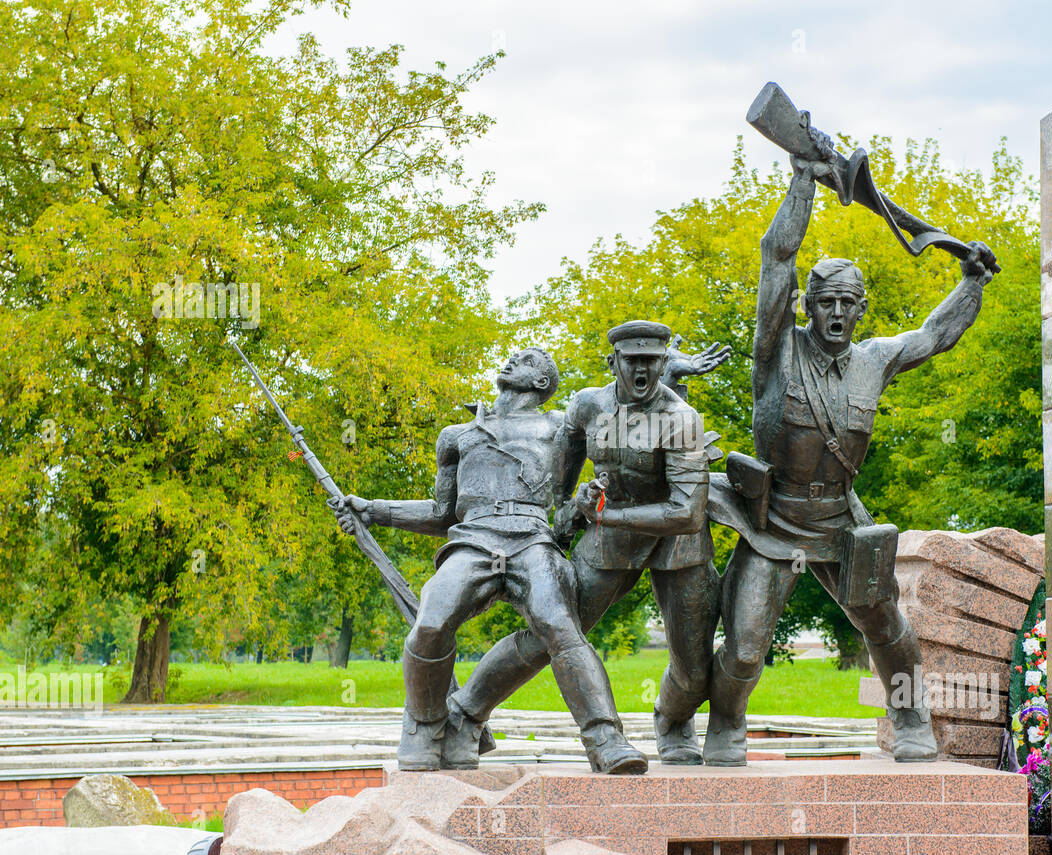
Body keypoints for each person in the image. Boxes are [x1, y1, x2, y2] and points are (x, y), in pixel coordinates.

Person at [704, 132, 997, 765]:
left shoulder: (874, 359)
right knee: (747, 646)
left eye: (847, 302)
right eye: (825, 301)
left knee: (886, 627)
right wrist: (804, 183)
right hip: (773, 520)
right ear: (807, 306)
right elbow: (775, 258)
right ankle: (725, 723)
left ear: (861, 310)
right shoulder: (774, 351)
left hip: (840, 520)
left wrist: (971, 281)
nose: (836, 311)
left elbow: (936, 333)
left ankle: (911, 716)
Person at [331, 347, 647, 774]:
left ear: (542, 384)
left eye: (528, 360)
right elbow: (442, 514)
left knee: (559, 624)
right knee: (429, 623)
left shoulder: (560, 430)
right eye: (514, 357)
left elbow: (563, 505)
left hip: (533, 540)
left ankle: (606, 740)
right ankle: (426, 726)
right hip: (472, 539)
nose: (514, 360)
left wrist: (584, 503)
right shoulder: (457, 435)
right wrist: (373, 510)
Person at [440, 321, 726, 767]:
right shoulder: (587, 404)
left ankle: (673, 720)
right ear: (613, 363)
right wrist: (565, 505)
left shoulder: (681, 419)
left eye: (652, 362)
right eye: (633, 362)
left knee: (693, 667)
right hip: (607, 539)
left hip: (678, 542)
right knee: (550, 632)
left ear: (663, 363)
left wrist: (604, 513)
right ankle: (464, 712)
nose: (642, 372)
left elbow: (687, 513)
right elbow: (569, 447)